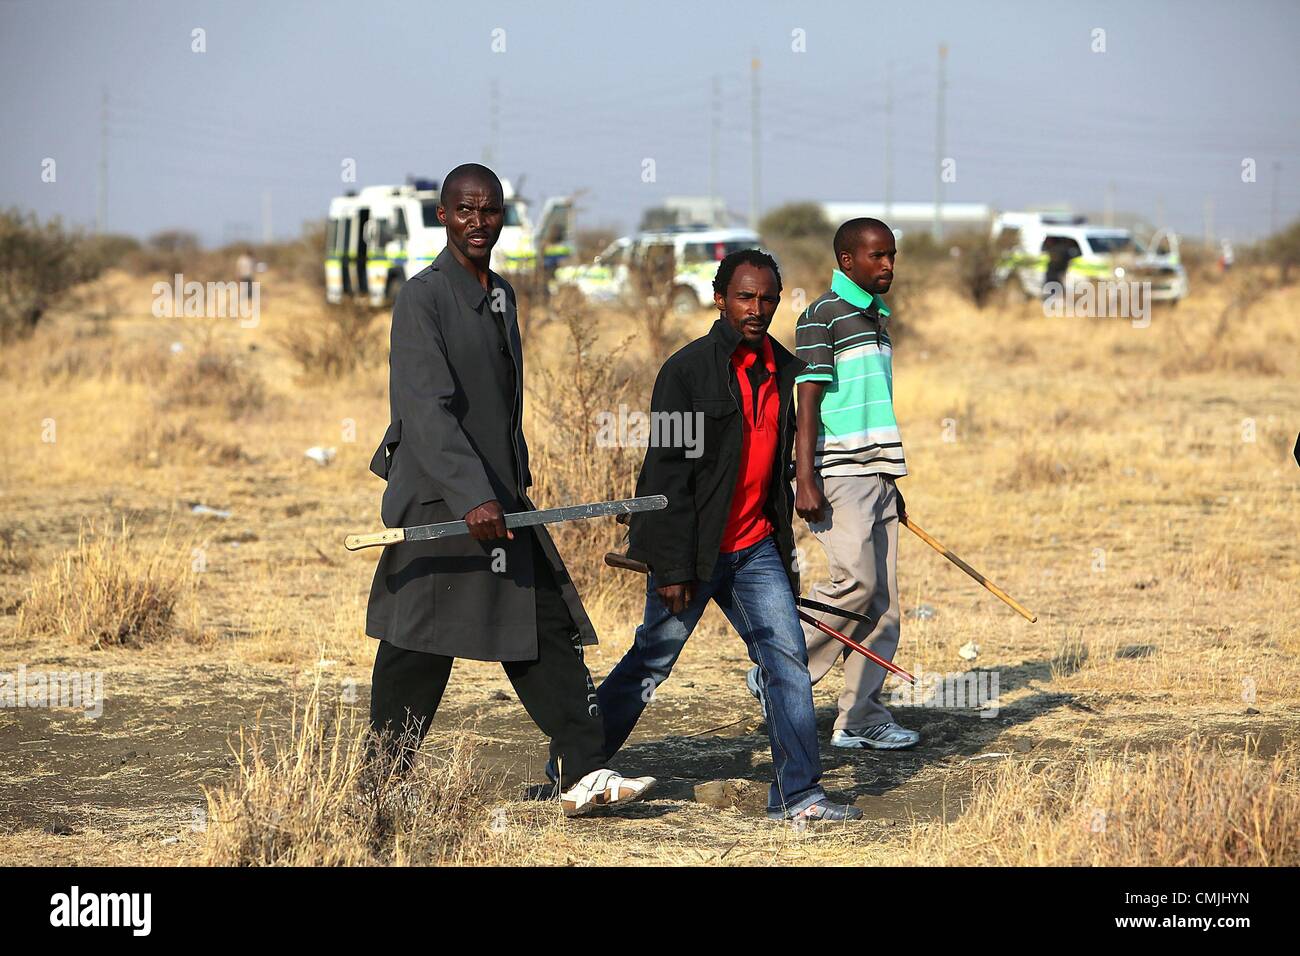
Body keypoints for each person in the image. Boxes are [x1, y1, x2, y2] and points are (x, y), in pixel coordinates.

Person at [363, 162, 653, 817]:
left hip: (500, 503)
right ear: (443, 215)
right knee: (416, 647)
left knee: (543, 628)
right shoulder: (422, 298)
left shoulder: (501, 295)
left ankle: (584, 772)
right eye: (465, 210)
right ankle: (379, 788)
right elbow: (426, 409)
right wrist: (472, 495)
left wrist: (508, 487)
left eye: (490, 210)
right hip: (442, 503)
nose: (478, 222)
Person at [597, 248, 862, 822]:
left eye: (768, 299)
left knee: (786, 660)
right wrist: (671, 567)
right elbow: (665, 475)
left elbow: (801, 452)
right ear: (720, 299)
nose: (757, 309)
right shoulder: (686, 372)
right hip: (693, 553)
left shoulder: (788, 371)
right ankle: (574, 764)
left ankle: (799, 796)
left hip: (755, 549)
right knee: (652, 661)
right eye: (745, 297)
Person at [759, 218, 921, 751]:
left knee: (885, 607)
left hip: (878, 474)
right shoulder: (821, 315)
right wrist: (805, 476)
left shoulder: (877, 318)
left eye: (892, 255)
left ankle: (860, 718)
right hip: (838, 474)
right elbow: (806, 399)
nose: (888, 265)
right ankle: (780, 669)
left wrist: (890, 479)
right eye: (878, 256)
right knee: (857, 584)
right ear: (847, 261)